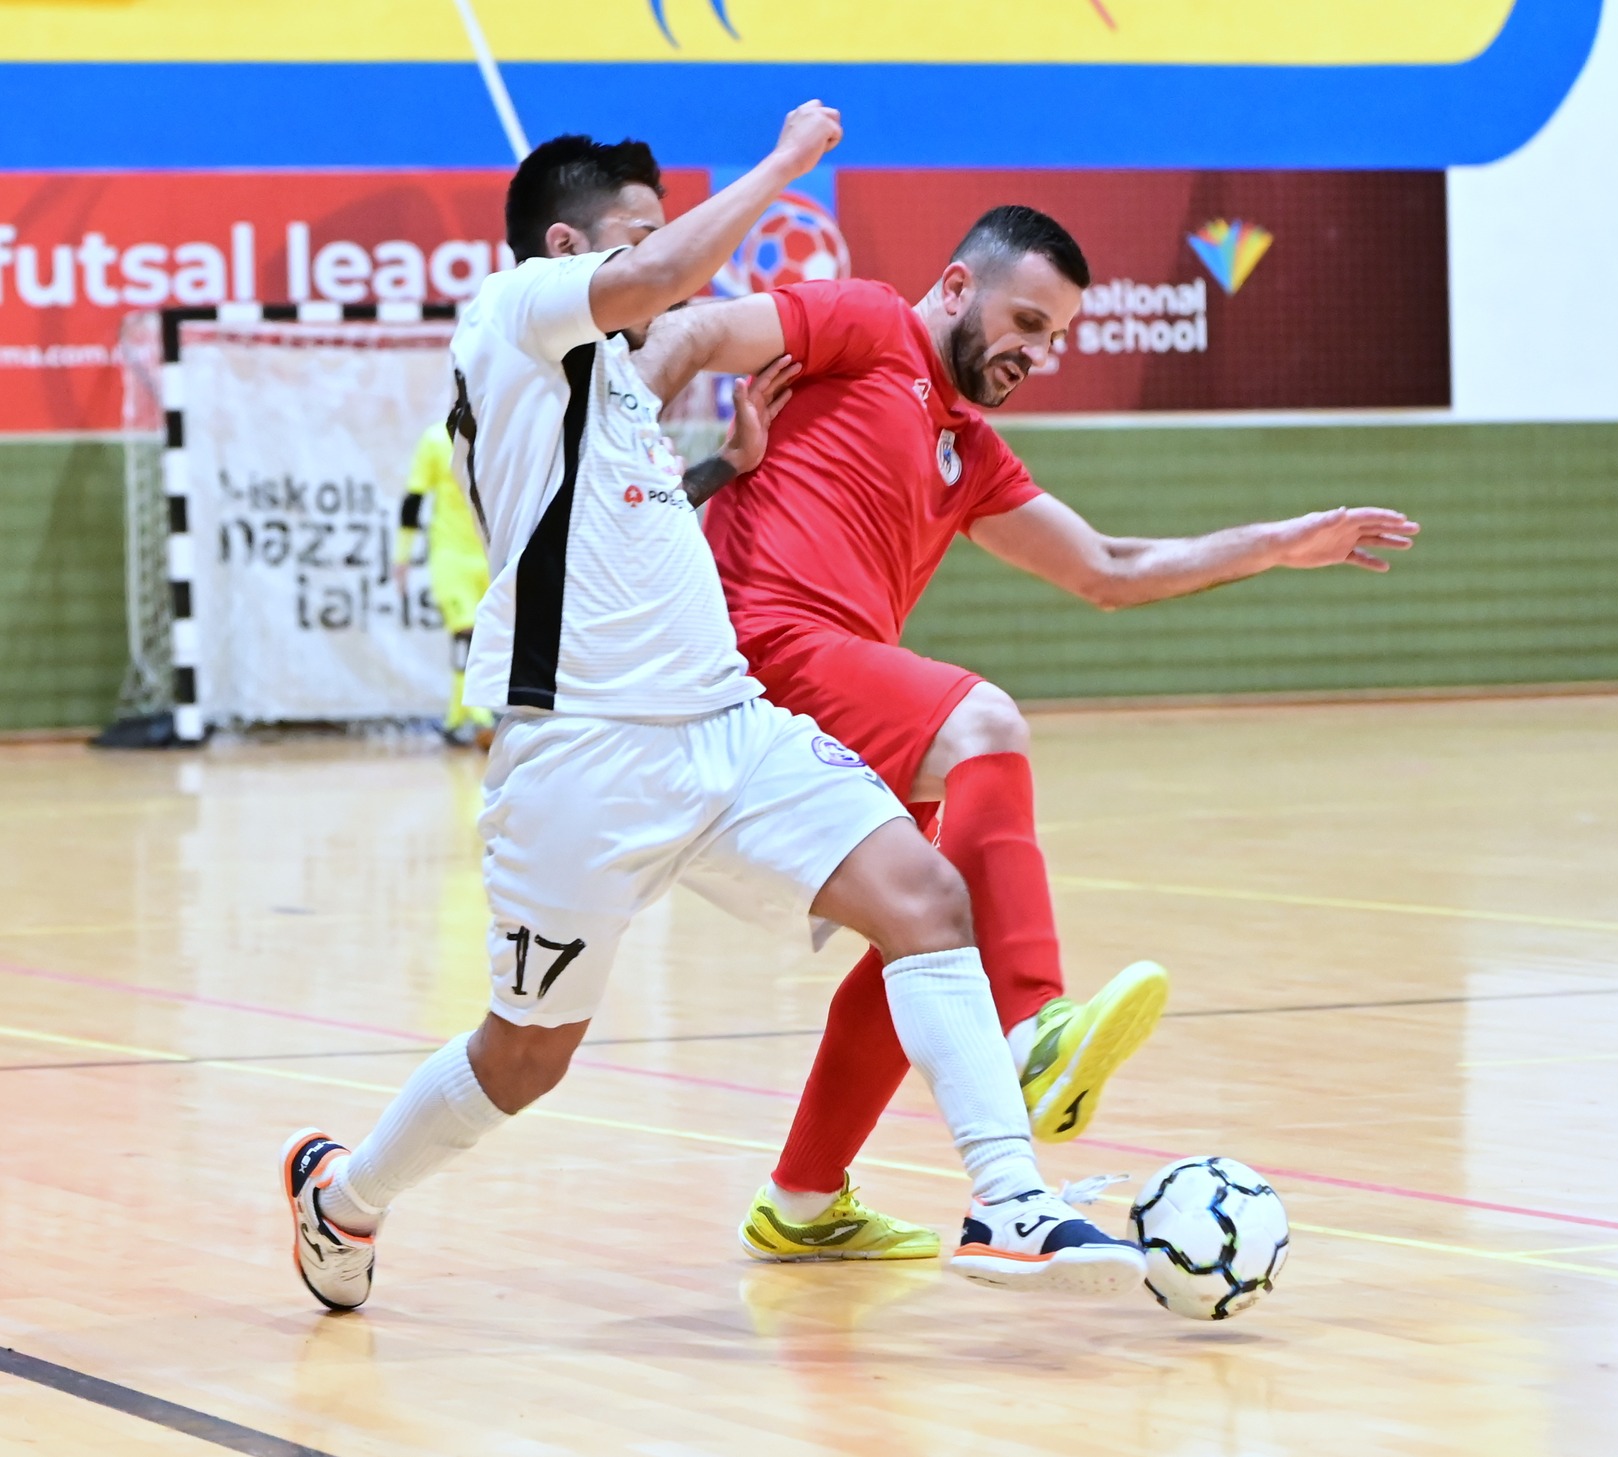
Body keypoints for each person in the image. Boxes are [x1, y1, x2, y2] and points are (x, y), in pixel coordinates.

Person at [280, 114, 1146, 1313]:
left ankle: (1005, 1197)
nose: (667, 250)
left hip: (722, 727)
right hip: (579, 756)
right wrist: (788, 162)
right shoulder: (516, 308)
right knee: (525, 1056)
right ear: (570, 246)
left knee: (926, 896)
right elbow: (664, 279)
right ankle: (347, 1196)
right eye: (640, 228)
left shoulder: (617, 396)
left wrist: (721, 472)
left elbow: (606, 538)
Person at [634, 205, 1421, 1261]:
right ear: (956, 288)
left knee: (920, 926)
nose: (1036, 354)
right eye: (1025, 321)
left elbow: (1108, 569)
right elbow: (688, 334)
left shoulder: (970, 452)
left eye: (1054, 338)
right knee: (985, 720)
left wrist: (1279, 544)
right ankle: (1032, 1024)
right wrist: (623, 426)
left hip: (828, 685)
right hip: (761, 644)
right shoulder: (864, 325)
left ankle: (804, 1198)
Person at [397, 423, 498, 747]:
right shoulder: (434, 440)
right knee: (465, 634)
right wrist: (402, 557)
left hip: (491, 555)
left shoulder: (496, 438)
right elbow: (413, 501)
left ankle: (457, 720)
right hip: (450, 556)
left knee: (486, 639)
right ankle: (483, 719)